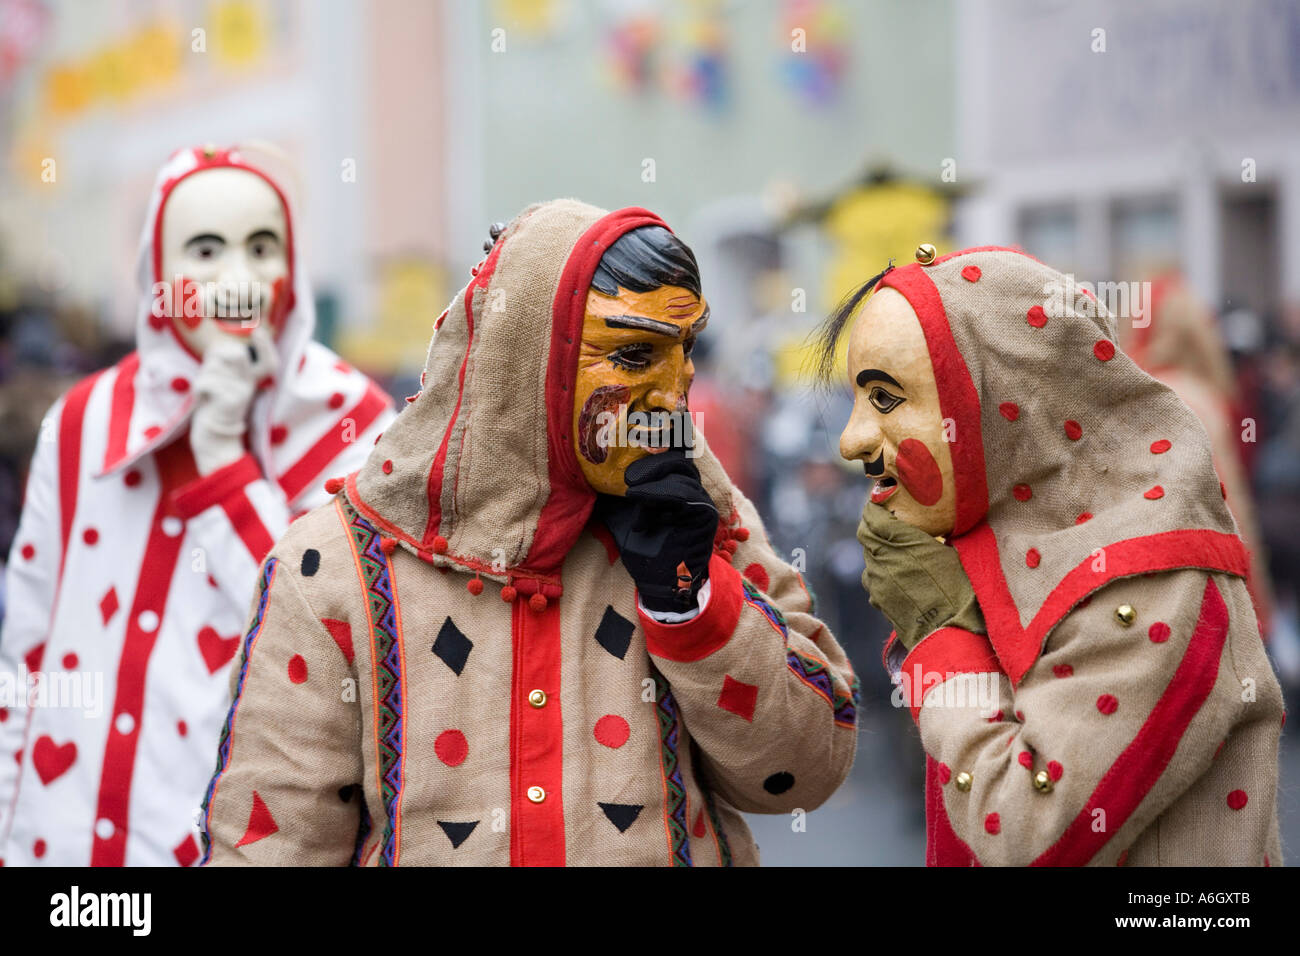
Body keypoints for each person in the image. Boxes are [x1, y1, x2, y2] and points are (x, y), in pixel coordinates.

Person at [199, 200, 857, 866]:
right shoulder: (335, 564)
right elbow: (271, 841)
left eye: (683, 353)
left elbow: (804, 773)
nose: (672, 395)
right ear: (530, 358)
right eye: (634, 355)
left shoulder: (704, 522)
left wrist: (692, 608)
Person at [820, 244, 1284, 866]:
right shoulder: (1004, 548)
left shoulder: (1154, 582)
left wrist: (942, 634)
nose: (851, 441)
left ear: (1003, 405)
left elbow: (1027, 833)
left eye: (885, 398)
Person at [0, 144, 394, 866]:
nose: (236, 279)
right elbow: (26, 653)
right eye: (205, 250)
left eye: (262, 246)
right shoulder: (86, 420)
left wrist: (224, 464)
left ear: (292, 267)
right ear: (159, 272)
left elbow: (330, 654)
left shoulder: (350, 426)